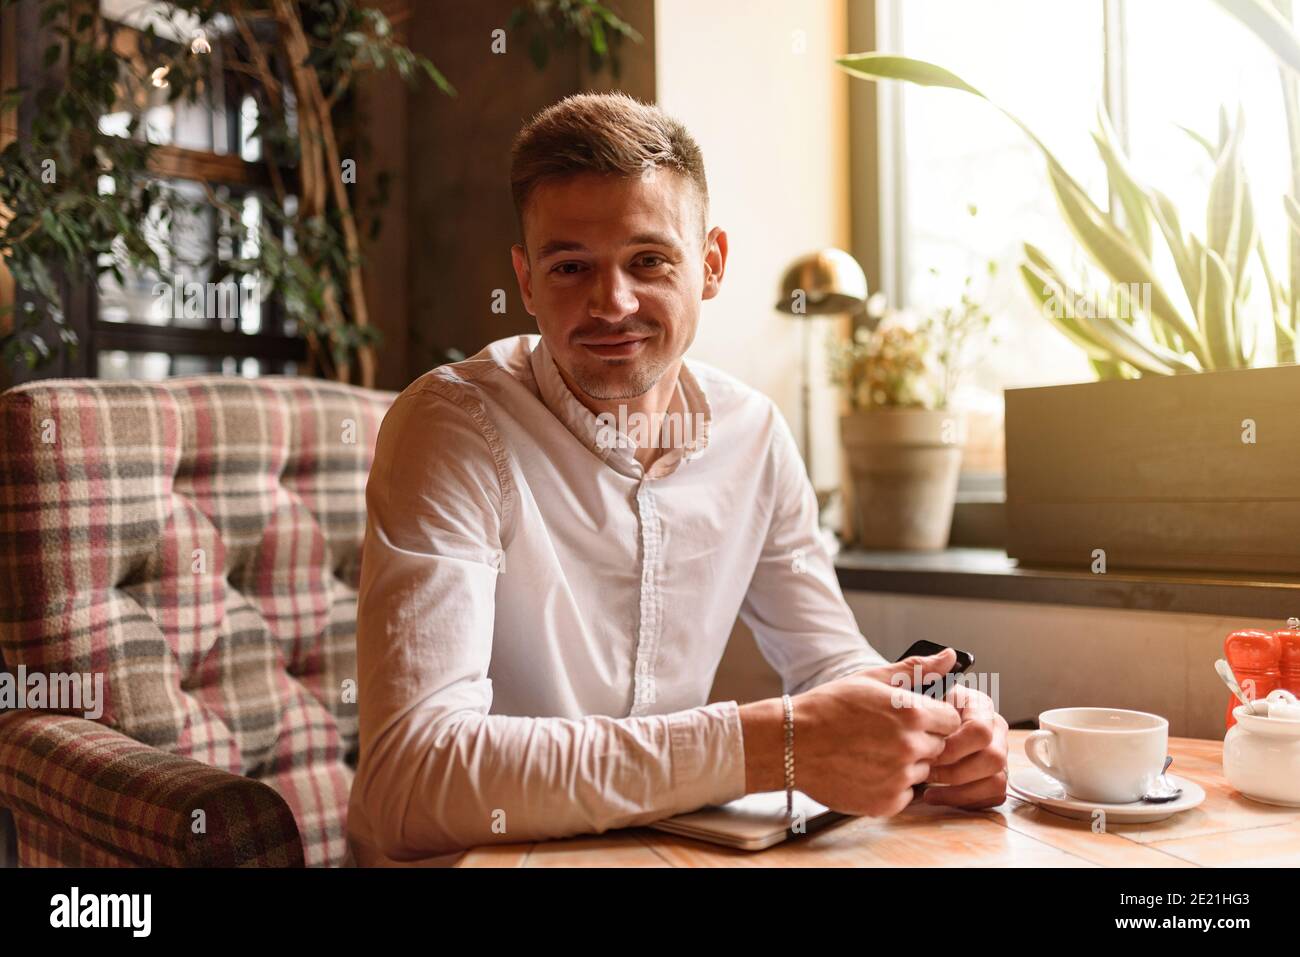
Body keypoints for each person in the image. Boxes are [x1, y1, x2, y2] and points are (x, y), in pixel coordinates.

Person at [346, 91, 1008, 867]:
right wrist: (769, 744)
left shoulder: (754, 434)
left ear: (711, 264)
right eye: (570, 266)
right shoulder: (451, 426)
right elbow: (409, 781)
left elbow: (830, 661)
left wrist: (929, 727)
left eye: (649, 260)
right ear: (525, 281)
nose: (612, 303)